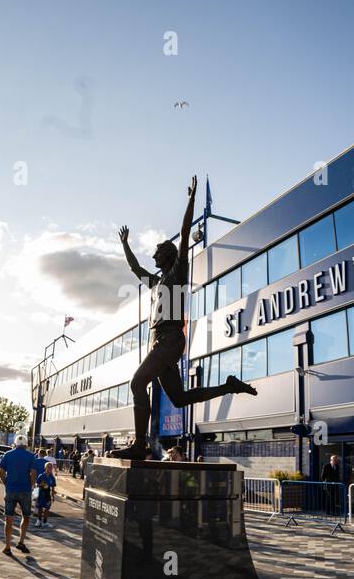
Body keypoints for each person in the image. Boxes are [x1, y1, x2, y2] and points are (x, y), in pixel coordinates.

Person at [110, 176, 257, 460]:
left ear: (166, 254)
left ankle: (140, 445)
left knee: (137, 384)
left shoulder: (178, 272)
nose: (152, 253)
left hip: (169, 339)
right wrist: (125, 244)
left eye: (156, 250)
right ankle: (229, 386)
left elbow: (184, 228)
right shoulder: (157, 281)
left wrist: (190, 200)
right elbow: (134, 267)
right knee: (179, 398)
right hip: (161, 341)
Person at [0, 435, 37, 556]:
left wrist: (6, 484)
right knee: (26, 516)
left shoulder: (7, 454)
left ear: (15, 443)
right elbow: (33, 473)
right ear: (26, 444)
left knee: (8, 518)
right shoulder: (31, 456)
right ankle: (21, 541)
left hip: (11, 489)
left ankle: (7, 546)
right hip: (25, 489)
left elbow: (1, 472)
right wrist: (30, 486)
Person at [35, 460, 56, 529]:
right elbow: (36, 484)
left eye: (51, 467)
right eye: (48, 467)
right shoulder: (41, 476)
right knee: (40, 508)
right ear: (45, 467)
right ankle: (38, 520)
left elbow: (53, 487)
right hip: (41, 493)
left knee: (47, 508)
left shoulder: (52, 477)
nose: (50, 468)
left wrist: (53, 496)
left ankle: (45, 522)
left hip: (47, 494)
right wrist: (41, 484)